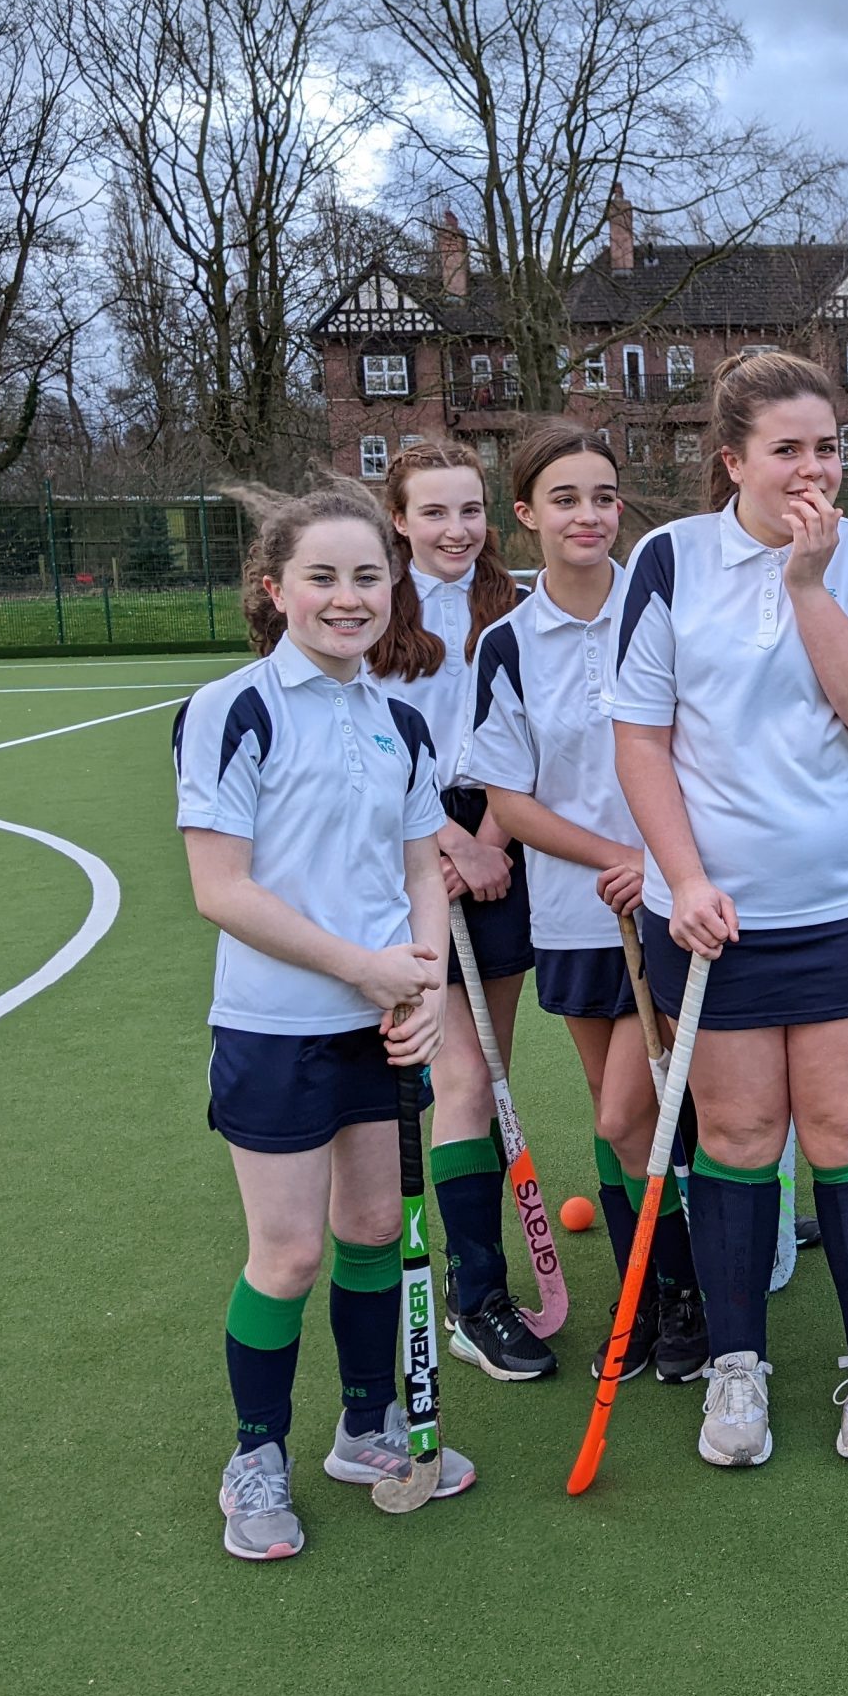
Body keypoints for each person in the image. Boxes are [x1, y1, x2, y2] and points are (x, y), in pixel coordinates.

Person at [609, 350, 848, 1467]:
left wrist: (807, 585)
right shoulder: (667, 559)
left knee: (846, 1130)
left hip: (844, 898)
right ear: (733, 459)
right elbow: (640, 739)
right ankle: (736, 1369)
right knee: (739, 1138)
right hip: (712, 917)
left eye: (828, 447)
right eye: (786, 449)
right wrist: (684, 879)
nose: (812, 469)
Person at [175, 481, 475, 1562]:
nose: (348, 598)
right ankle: (256, 1455)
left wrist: (422, 986)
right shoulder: (234, 709)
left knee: (375, 1230)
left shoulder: (400, 722)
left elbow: (422, 871)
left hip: (381, 1023)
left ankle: (363, 1427)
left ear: (394, 589)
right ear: (274, 589)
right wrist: (364, 969)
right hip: (276, 1027)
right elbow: (221, 889)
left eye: (366, 578)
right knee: (290, 1253)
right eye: (322, 577)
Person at [459, 421, 709, 1387]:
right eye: (565, 499)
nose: (589, 515)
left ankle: (684, 1286)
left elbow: (707, 755)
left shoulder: (669, 609)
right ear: (525, 514)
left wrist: (662, 865)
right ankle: (655, 1292)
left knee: (627, 1116)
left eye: (603, 496)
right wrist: (617, 856)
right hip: (576, 912)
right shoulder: (506, 644)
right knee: (630, 1121)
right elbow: (510, 799)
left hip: (675, 904)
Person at [363, 439, 557, 1384]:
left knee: (483, 1074)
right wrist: (444, 845)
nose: (456, 530)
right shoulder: (372, 611)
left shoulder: (517, 606)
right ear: (398, 520)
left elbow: (529, 744)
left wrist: (489, 843)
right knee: (464, 1079)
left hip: (497, 847)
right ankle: (476, 1298)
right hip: (406, 863)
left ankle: (477, 1279)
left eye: (470, 510)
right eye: (433, 512)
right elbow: (374, 753)